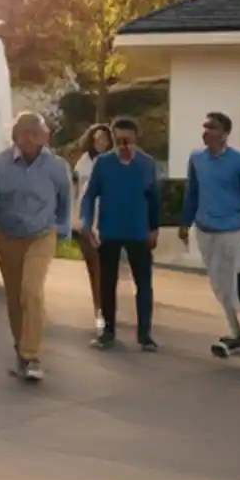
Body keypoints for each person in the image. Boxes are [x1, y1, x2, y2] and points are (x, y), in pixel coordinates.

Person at [0, 111, 71, 381]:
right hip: (8, 236)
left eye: (41, 132)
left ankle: (32, 356)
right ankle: (20, 350)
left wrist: (63, 228)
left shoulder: (57, 166)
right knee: (14, 298)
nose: (39, 137)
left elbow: (65, 198)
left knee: (31, 291)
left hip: (41, 235)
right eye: (32, 132)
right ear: (18, 137)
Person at [180, 111, 240, 359]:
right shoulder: (196, 158)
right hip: (206, 230)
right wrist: (185, 223)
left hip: (235, 230)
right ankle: (236, 334)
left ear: (225, 134)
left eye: (213, 127)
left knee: (237, 285)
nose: (206, 131)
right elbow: (192, 192)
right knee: (219, 285)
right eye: (205, 126)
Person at [83, 117, 161, 352]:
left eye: (128, 141)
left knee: (144, 283)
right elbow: (90, 196)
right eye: (118, 142)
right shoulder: (103, 164)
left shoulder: (147, 164)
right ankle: (108, 332)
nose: (123, 147)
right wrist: (87, 224)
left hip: (138, 231)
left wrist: (154, 228)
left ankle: (145, 334)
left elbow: (155, 198)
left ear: (136, 140)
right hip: (110, 230)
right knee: (107, 282)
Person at [72, 123, 112, 334]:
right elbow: (77, 192)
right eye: (98, 139)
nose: (102, 143)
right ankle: (99, 307)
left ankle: (105, 307)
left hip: (106, 220)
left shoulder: (111, 163)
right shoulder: (83, 163)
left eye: (105, 139)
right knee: (93, 266)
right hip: (85, 221)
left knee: (105, 266)